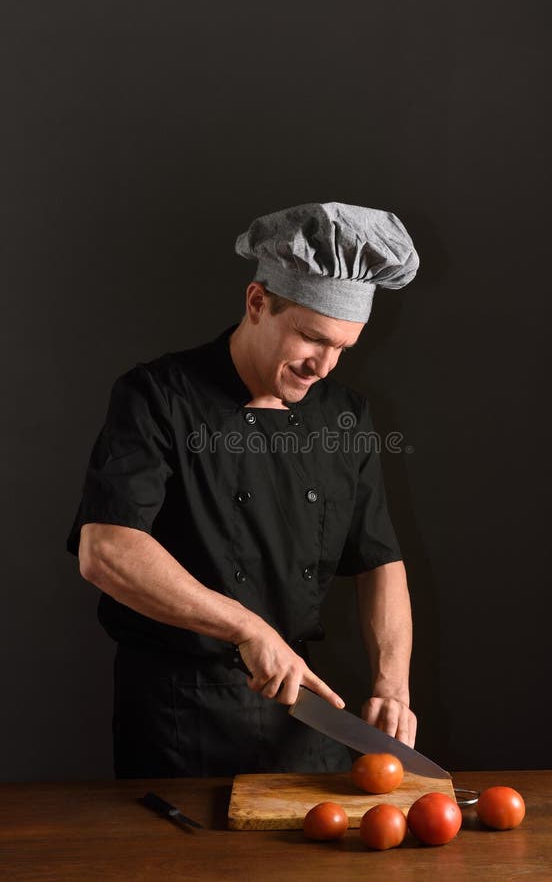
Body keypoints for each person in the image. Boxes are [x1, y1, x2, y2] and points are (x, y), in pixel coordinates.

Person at [66, 201, 420, 778]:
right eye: (311, 338)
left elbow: (379, 556)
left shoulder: (344, 417)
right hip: (178, 719)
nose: (323, 367)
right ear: (258, 303)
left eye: (343, 349)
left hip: (301, 716)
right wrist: (246, 626)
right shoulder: (158, 397)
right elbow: (105, 549)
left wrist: (392, 681)